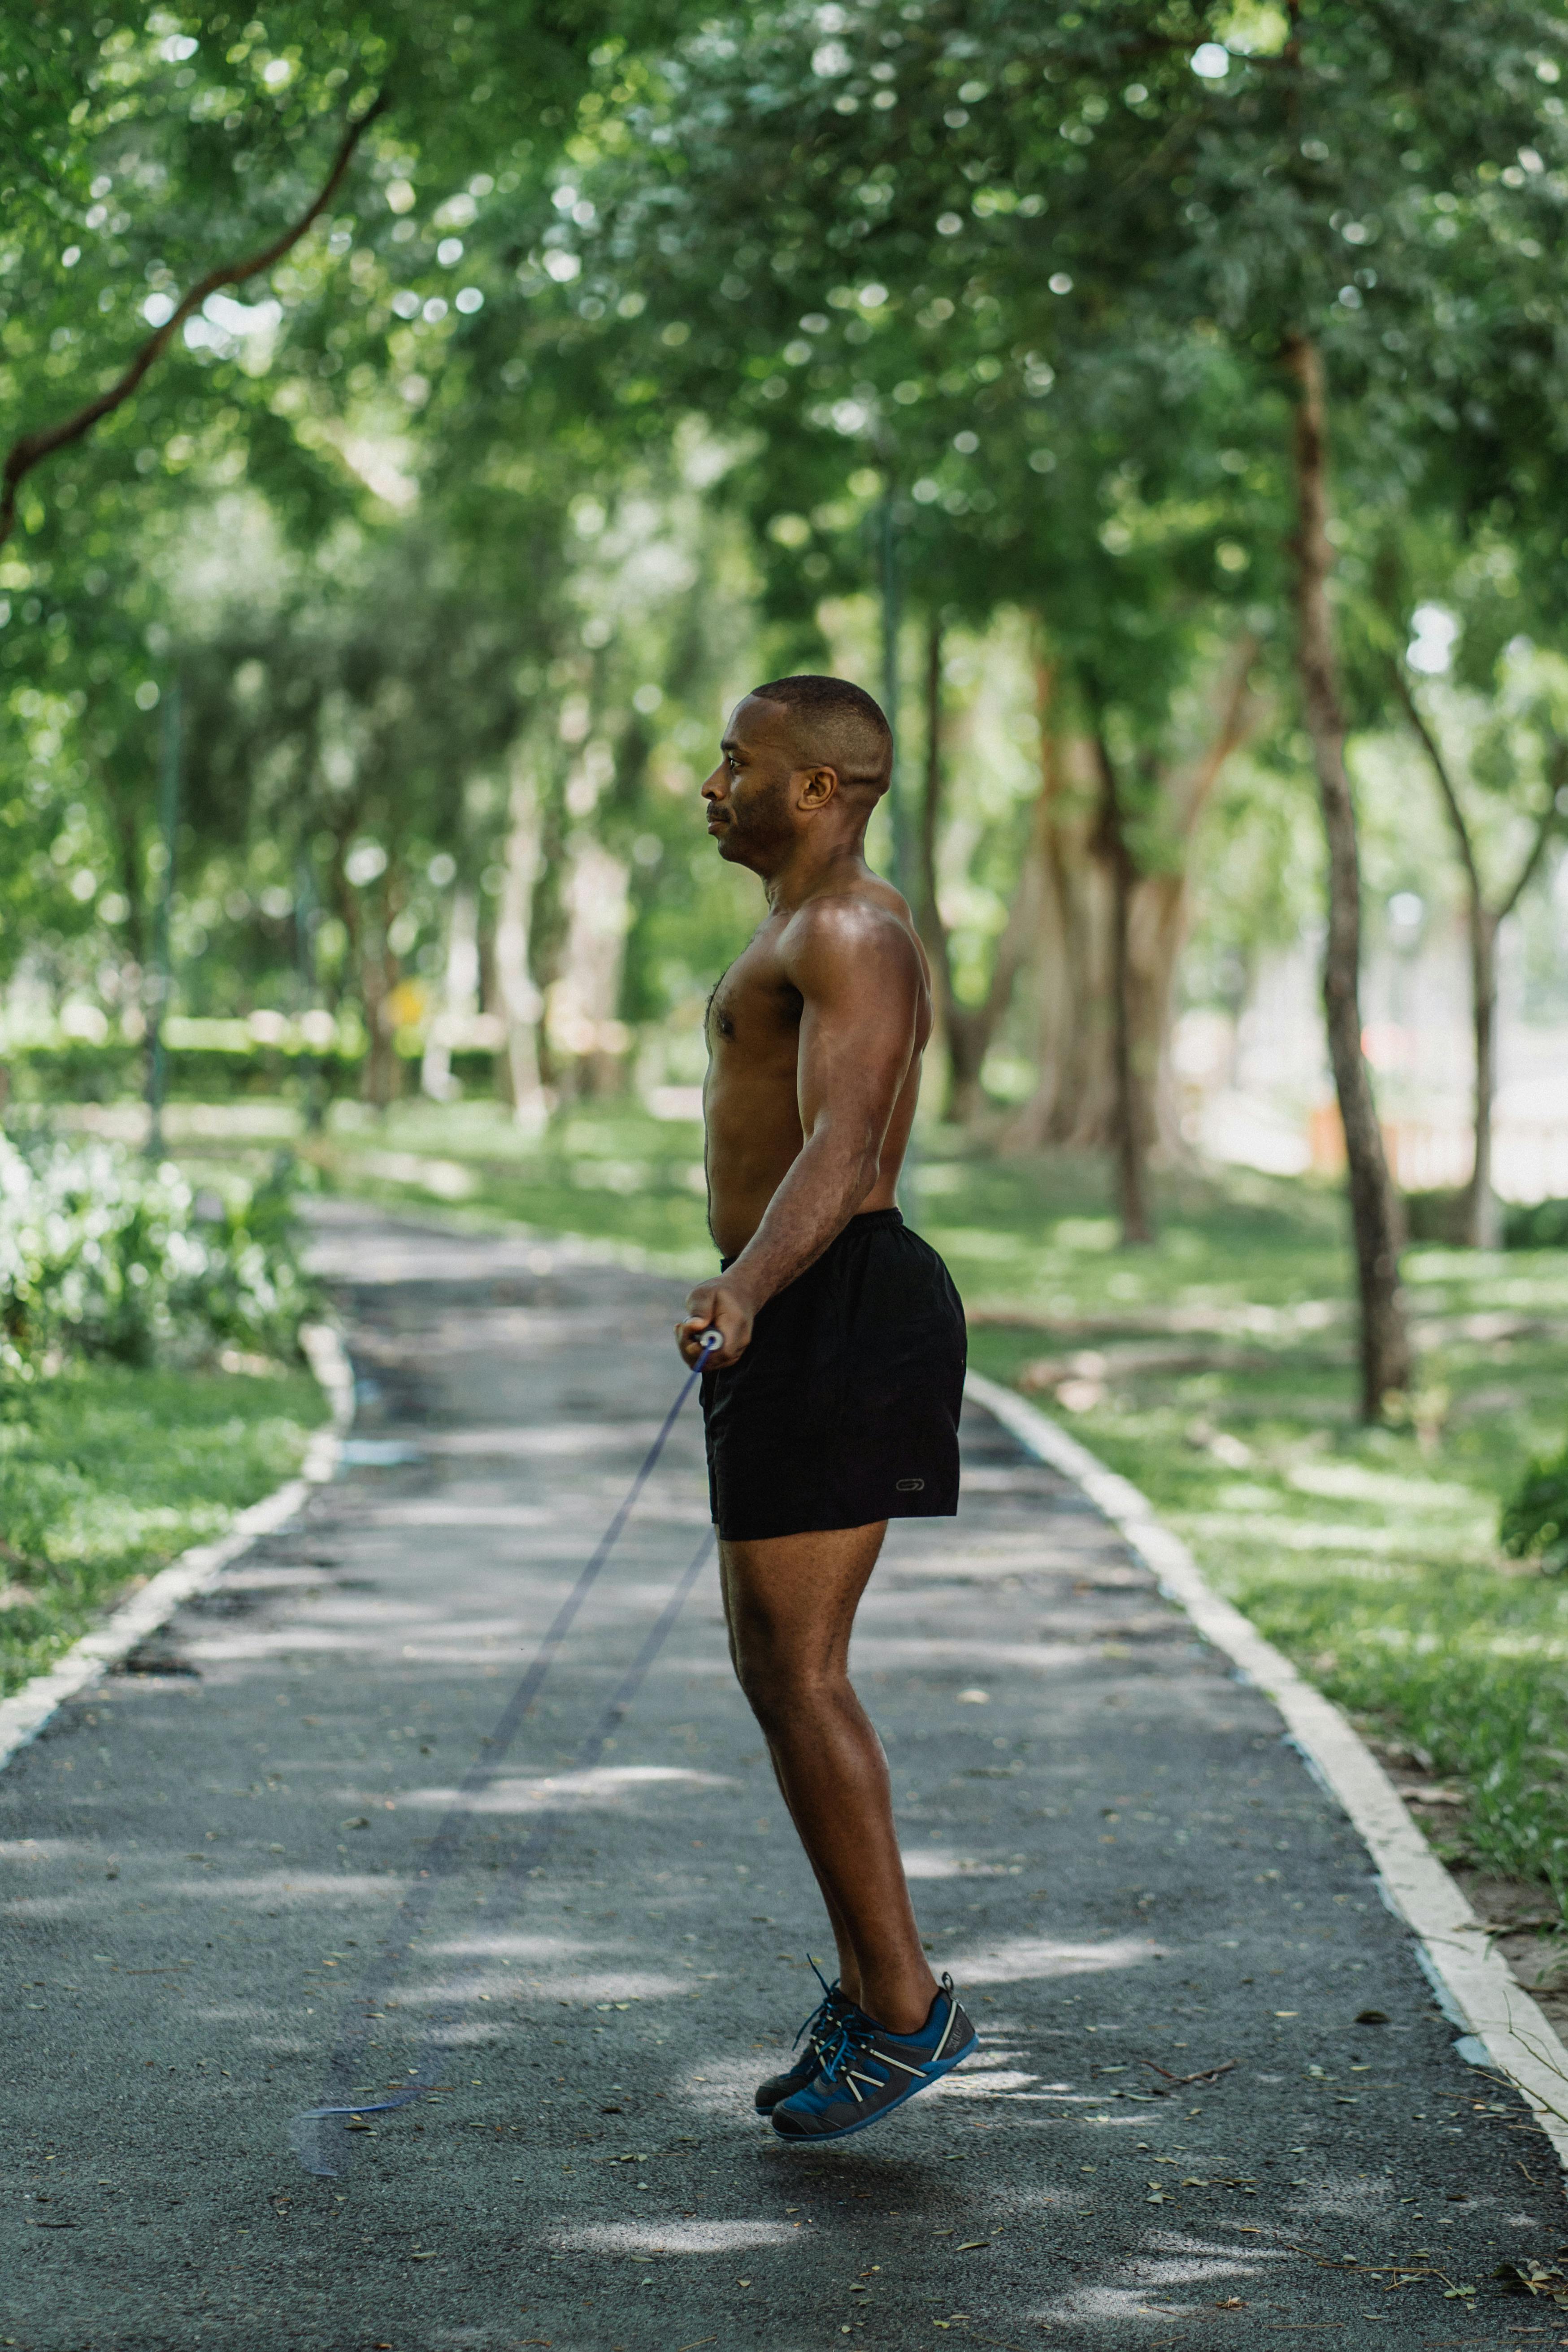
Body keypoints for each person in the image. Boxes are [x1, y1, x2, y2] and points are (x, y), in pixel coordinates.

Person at [674, 673, 977, 2143]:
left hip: (836, 1303)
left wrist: (746, 1287)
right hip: (804, 1305)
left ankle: (905, 2013)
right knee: (773, 1669)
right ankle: (871, 2001)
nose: (710, 784)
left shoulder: (850, 929)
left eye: (736, 761)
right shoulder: (805, 925)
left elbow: (843, 1148)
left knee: (801, 1674)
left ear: (813, 788)